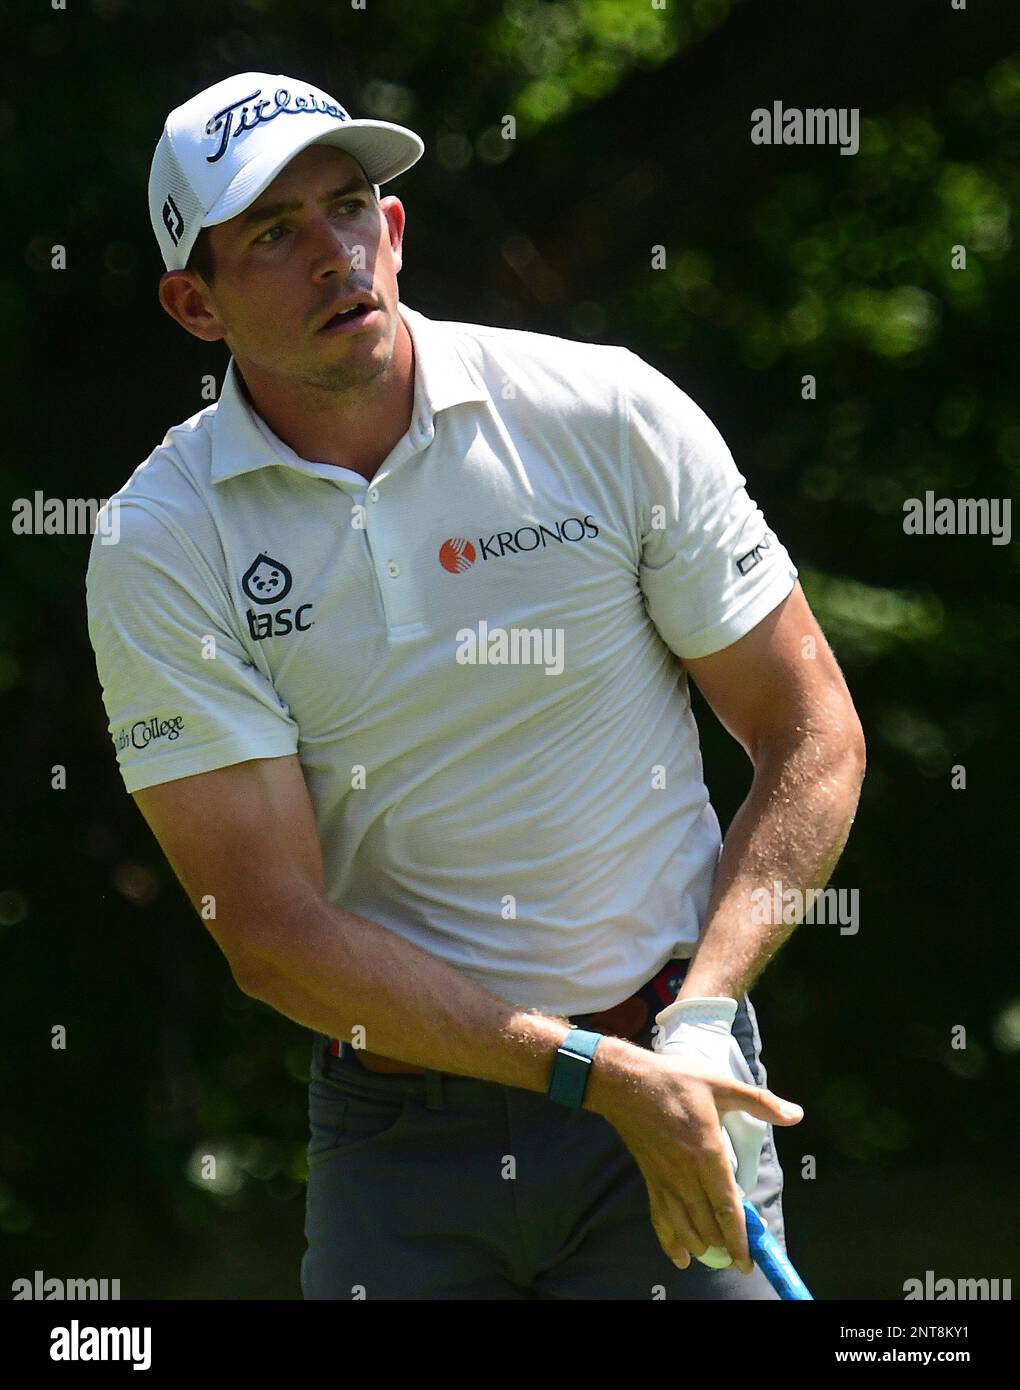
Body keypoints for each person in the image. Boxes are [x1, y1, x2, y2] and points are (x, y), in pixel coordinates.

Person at [85, 71, 866, 1300]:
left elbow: (809, 730)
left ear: (392, 232)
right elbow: (270, 931)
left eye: (348, 208)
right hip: (404, 1133)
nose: (333, 253)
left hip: (675, 1052)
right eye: (274, 234)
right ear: (196, 305)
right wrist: (589, 1075)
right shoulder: (162, 540)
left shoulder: (603, 412)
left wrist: (704, 1015)